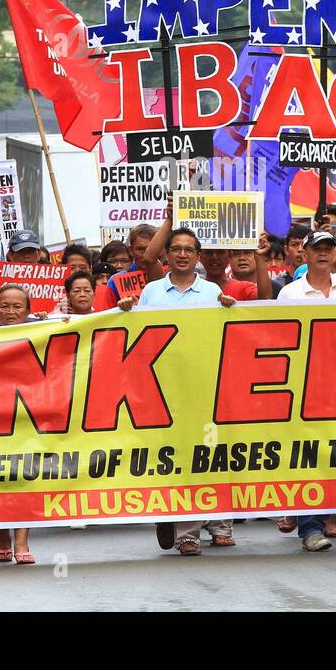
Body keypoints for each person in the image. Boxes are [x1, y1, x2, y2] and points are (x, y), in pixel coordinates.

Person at [121, 227, 236, 556]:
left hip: (207, 383)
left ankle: (220, 523)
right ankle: (186, 531)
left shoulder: (213, 291)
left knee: (213, 454)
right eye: (177, 249)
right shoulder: (152, 293)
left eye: (189, 249)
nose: (183, 254)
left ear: (198, 257)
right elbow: (139, 336)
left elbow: (227, 335)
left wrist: (231, 309)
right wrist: (125, 312)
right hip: (167, 386)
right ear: (167, 255)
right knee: (182, 457)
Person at [276, 230, 336, 552]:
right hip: (306, 384)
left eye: (328, 248)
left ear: (334, 251)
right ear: (305, 254)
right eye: (316, 248)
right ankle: (310, 528)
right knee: (307, 455)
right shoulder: (290, 294)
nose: (322, 253)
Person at [0, 284, 39, 564]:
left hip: (30, 418)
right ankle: (2, 537)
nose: (10, 312)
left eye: (17, 307)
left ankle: (22, 541)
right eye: (5, 306)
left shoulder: (43, 333)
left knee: (25, 478)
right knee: (0, 478)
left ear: (28, 311)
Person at [94, 225, 157, 309]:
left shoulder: (169, 275)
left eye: (150, 248)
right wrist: (121, 307)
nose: (146, 254)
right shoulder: (116, 280)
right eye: (140, 249)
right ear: (131, 250)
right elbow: (107, 312)